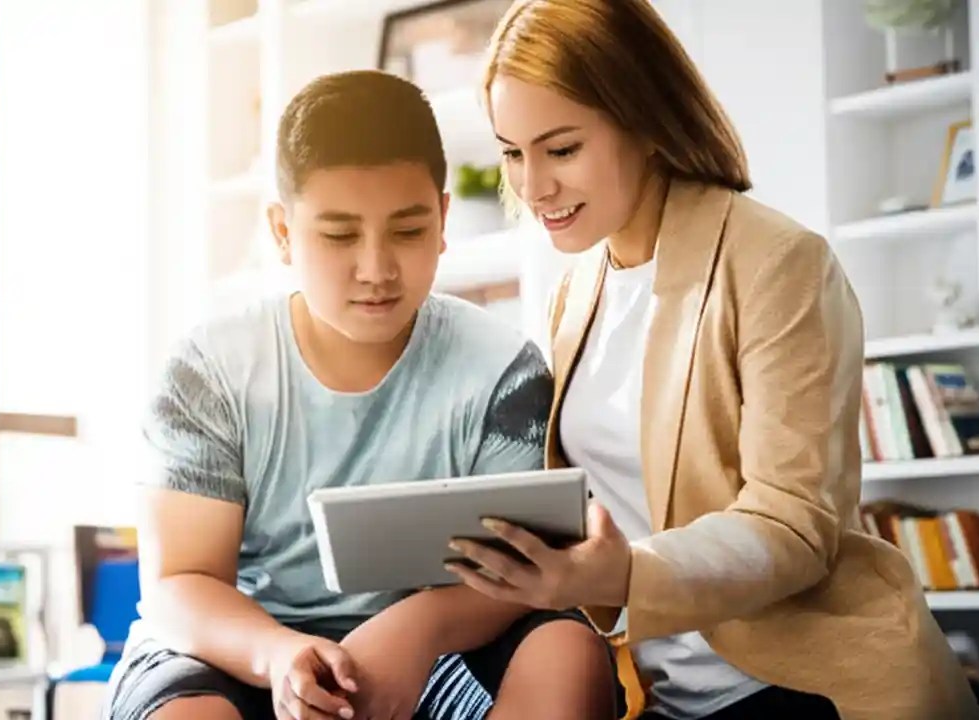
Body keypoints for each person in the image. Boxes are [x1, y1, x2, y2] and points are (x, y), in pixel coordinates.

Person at [442, 1, 979, 719]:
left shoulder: (776, 262)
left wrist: (630, 571)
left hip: (800, 686)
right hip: (666, 696)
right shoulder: (576, 296)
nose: (532, 185)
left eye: (561, 148)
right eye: (513, 152)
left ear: (642, 119)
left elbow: (794, 523)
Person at [102, 69, 615, 720]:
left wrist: (420, 627)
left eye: (406, 230)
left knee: (566, 655)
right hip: (241, 648)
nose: (376, 269)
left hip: (439, 647)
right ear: (283, 232)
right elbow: (180, 583)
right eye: (340, 235)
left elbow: (531, 567)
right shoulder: (211, 371)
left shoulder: (502, 369)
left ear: (443, 219)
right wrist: (282, 656)